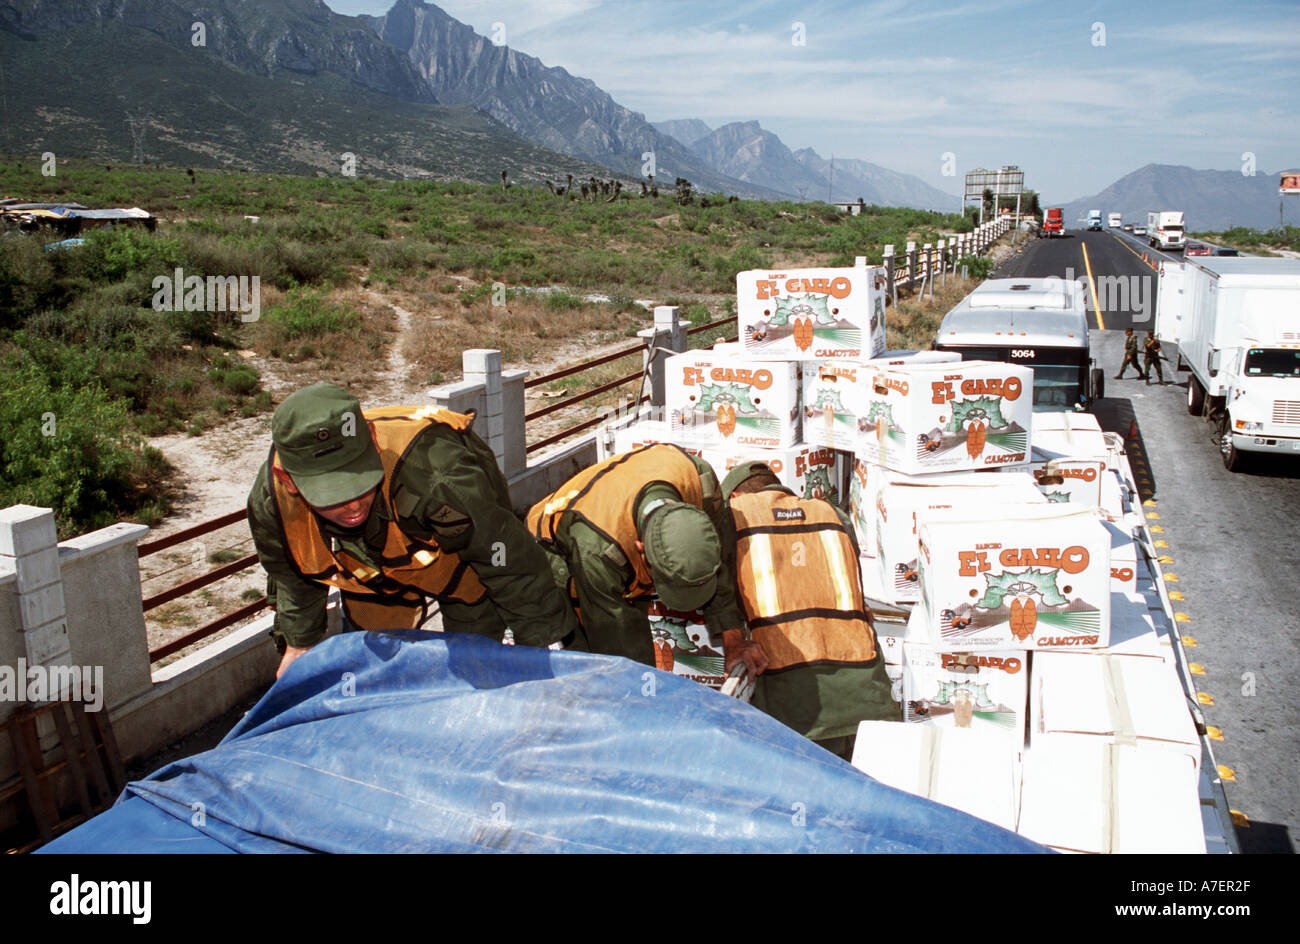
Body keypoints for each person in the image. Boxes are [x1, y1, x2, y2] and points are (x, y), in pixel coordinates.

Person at [247, 383, 580, 678]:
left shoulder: (440, 475)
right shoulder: (272, 502)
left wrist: (542, 646)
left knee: (476, 663)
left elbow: (506, 562)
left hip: (460, 556)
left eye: (359, 482)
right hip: (367, 568)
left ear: (374, 444)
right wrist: (299, 644)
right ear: (288, 480)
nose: (351, 506)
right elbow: (293, 574)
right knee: (379, 667)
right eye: (331, 497)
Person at [526, 443, 767, 677]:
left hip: (613, 527)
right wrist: (643, 694)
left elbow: (717, 563)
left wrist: (734, 640)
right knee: (590, 668)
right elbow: (616, 637)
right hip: (554, 549)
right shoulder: (598, 551)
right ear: (641, 551)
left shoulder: (699, 482)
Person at [720, 461, 898, 758]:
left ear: (736, 497)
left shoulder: (736, 516)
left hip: (796, 711)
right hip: (868, 699)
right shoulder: (834, 515)